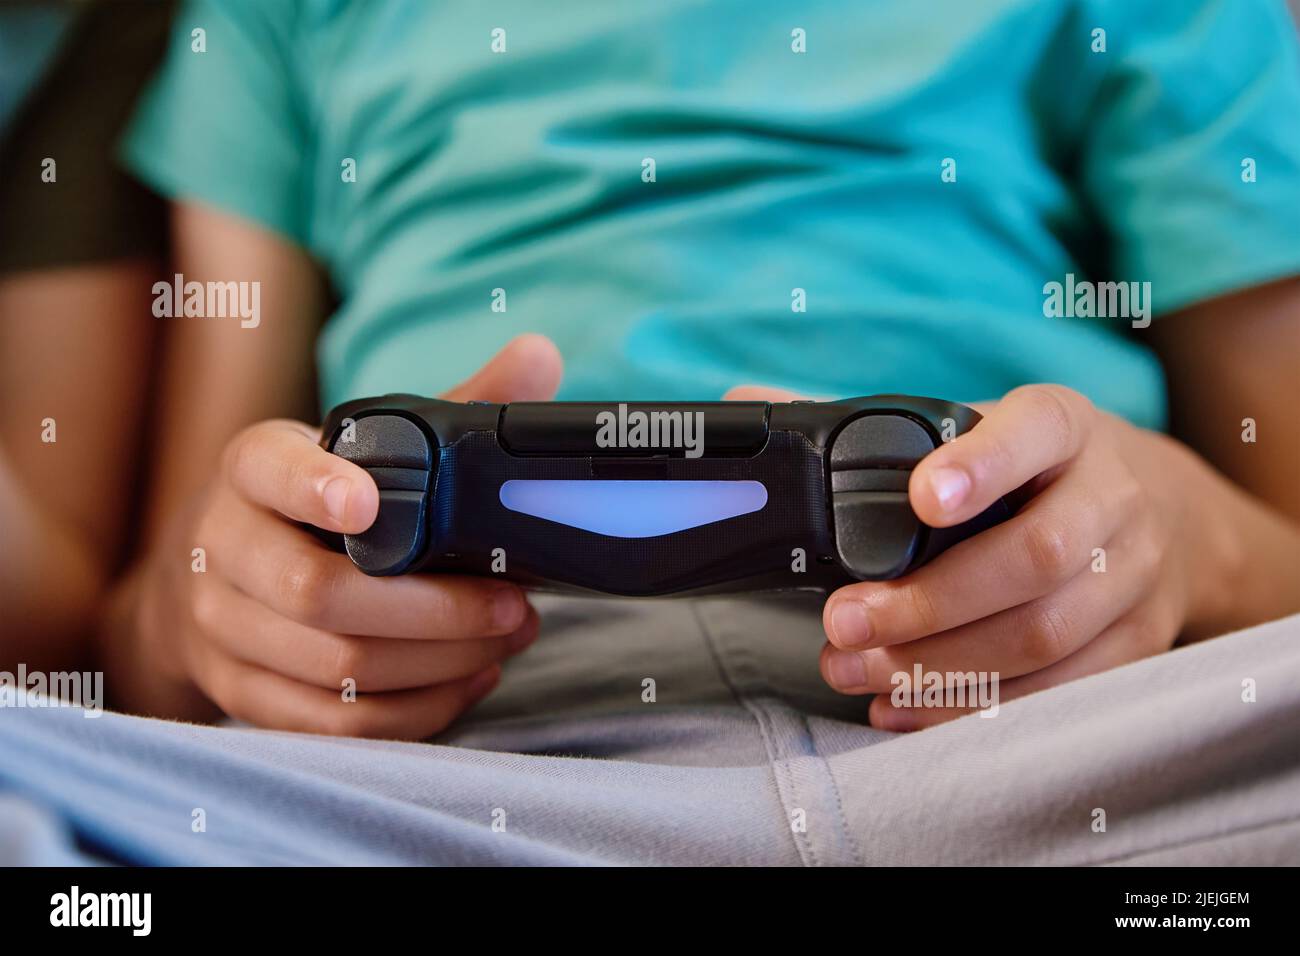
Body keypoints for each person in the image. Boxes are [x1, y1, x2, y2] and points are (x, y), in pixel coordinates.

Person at [4, 0, 1300, 865]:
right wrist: (221, 612)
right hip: (426, 776)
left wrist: (1180, 538)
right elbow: (153, 628)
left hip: (1074, 712)